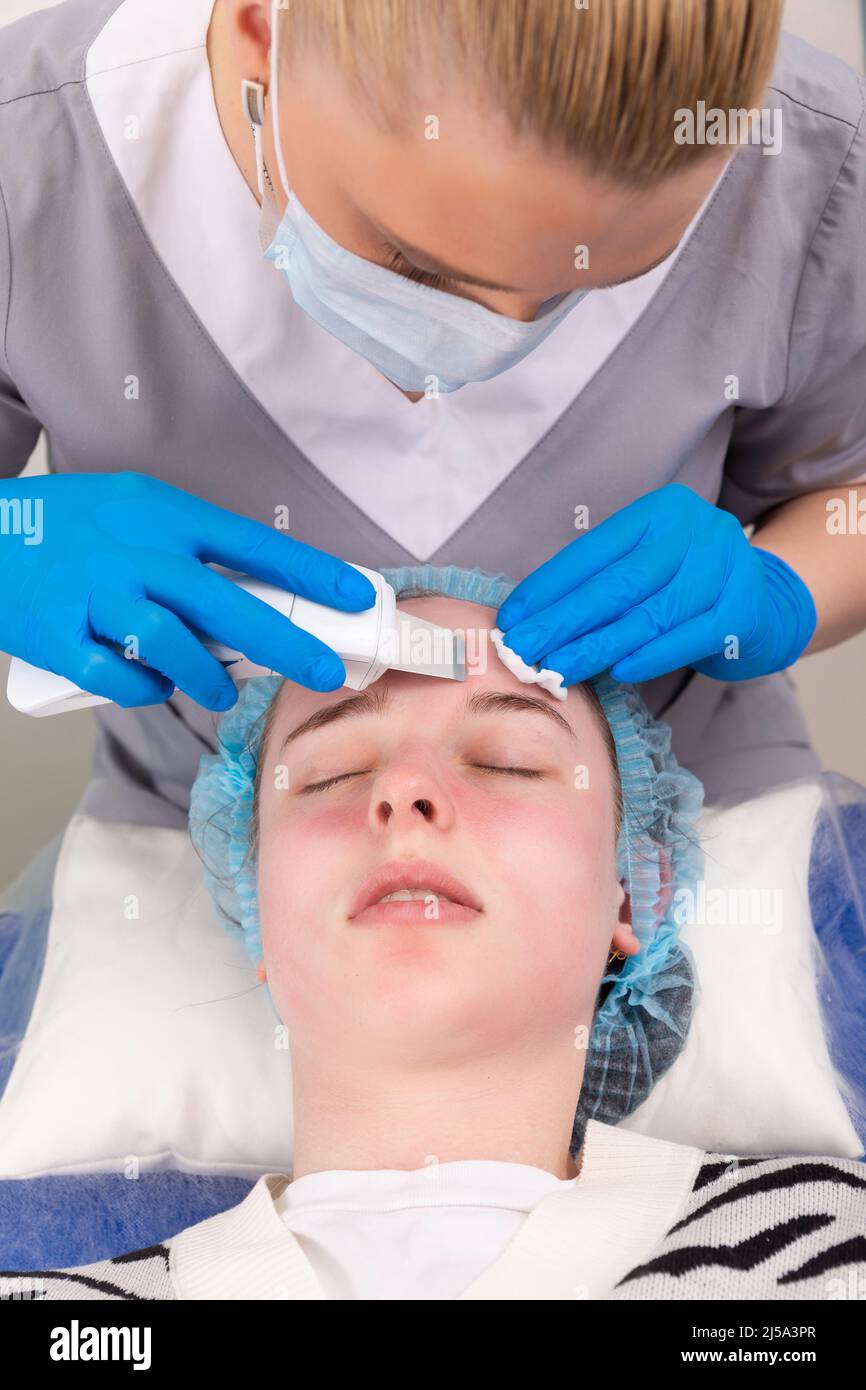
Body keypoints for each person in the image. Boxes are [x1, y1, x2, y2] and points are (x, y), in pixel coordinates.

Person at [0, 0, 864, 842]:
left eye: (589, 280)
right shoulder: (30, 150)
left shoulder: (793, 152)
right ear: (263, 31)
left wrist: (784, 585)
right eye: (413, 261)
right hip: (178, 855)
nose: (498, 338)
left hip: (708, 811)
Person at [11, 569, 866, 1301]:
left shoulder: (830, 1259)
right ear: (255, 905)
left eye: (506, 760)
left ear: (633, 899)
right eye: (331, 773)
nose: (406, 792)